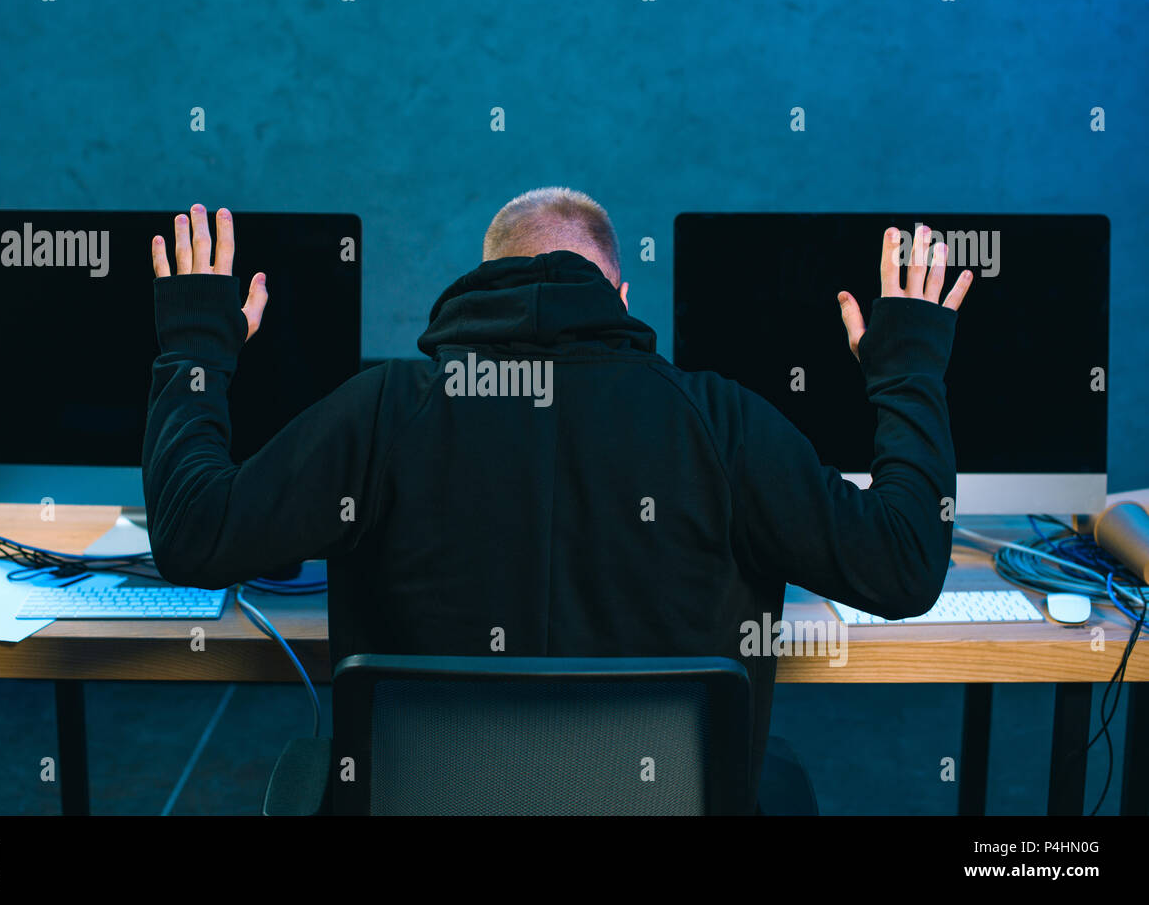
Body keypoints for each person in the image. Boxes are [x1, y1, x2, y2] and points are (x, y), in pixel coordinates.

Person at [142, 188, 972, 809]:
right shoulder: (719, 421)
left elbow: (192, 533)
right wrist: (906, 370)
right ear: (619, 299)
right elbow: (902, 562)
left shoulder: (384, 410)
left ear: (479, 282)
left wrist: (196, 344)